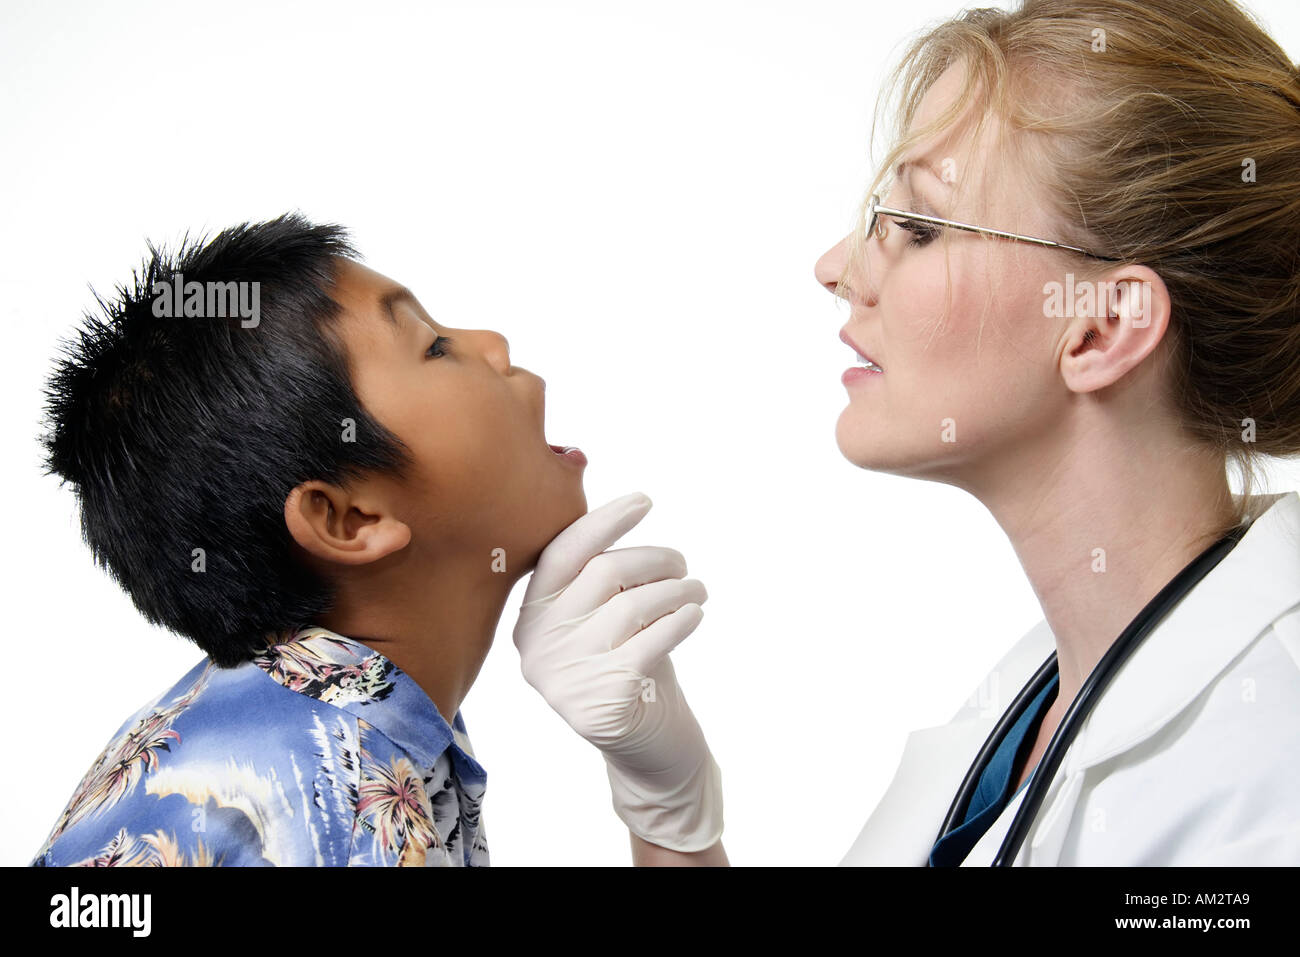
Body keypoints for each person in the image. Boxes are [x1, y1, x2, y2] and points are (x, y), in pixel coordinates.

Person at [515, 0, 1300, 865]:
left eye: (920, 229)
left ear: (1101, 329)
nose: (836, 269)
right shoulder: (1034, 697)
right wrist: (670, 815)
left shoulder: (1269, 751)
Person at [31, 212, 716, 866]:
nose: (494, 343)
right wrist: (671, 812)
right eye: (435, 346)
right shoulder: (348, 813)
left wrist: (666, 806)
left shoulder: (293, 724)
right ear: (348, 519)